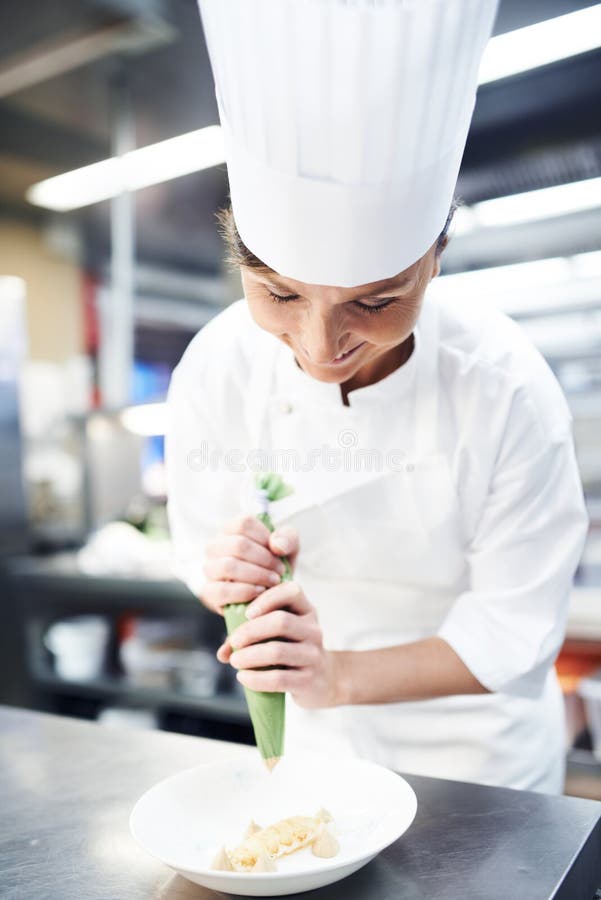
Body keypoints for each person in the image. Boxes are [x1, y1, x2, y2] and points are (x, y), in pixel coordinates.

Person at [166, 0, 589, 793]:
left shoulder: (504, 388)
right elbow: (199, 545)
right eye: (279, 294)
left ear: (435, 259)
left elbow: (512, 628)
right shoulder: (217, 367)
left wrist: (337, 675)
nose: (320, 346)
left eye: (374, 300)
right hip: (319, 748)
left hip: (481, 761)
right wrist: (228, 575)